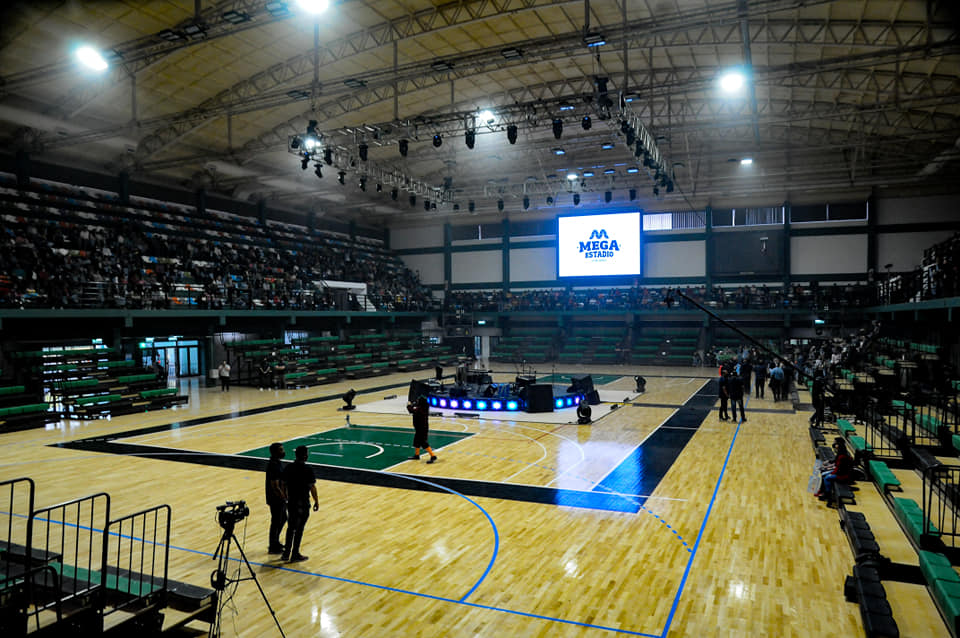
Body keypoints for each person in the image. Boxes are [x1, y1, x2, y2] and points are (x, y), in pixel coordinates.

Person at [281, 445, 319, 562]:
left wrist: (285, 498)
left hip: (292, 502)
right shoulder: (308, 469)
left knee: (291, 528)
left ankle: (286, 553)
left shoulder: (288, 467)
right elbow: (312, 486)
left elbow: (283, 484)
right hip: (303, 502)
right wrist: (316, 501)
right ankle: (295, 553)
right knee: (299, 529)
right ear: (305, 456)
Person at [266, 443, 287, 554]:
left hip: (278, 497)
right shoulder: (273, 465)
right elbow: (275, 485)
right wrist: (283, 497)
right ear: (274, 452)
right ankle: (272, 546)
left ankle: (275, 542)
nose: (283, 451)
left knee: (283, 518)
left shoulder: (277, 463)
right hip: (275, 498)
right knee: (276, 521)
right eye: (280, 450)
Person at [406, 395, 437, 463]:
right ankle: (417, 455)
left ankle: (433, 456)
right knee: (416, 441)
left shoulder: (420, 409)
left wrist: (408, 405)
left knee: (423, 442)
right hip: (420, 428)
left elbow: (412, 411)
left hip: (421, 429)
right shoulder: (424, 407)